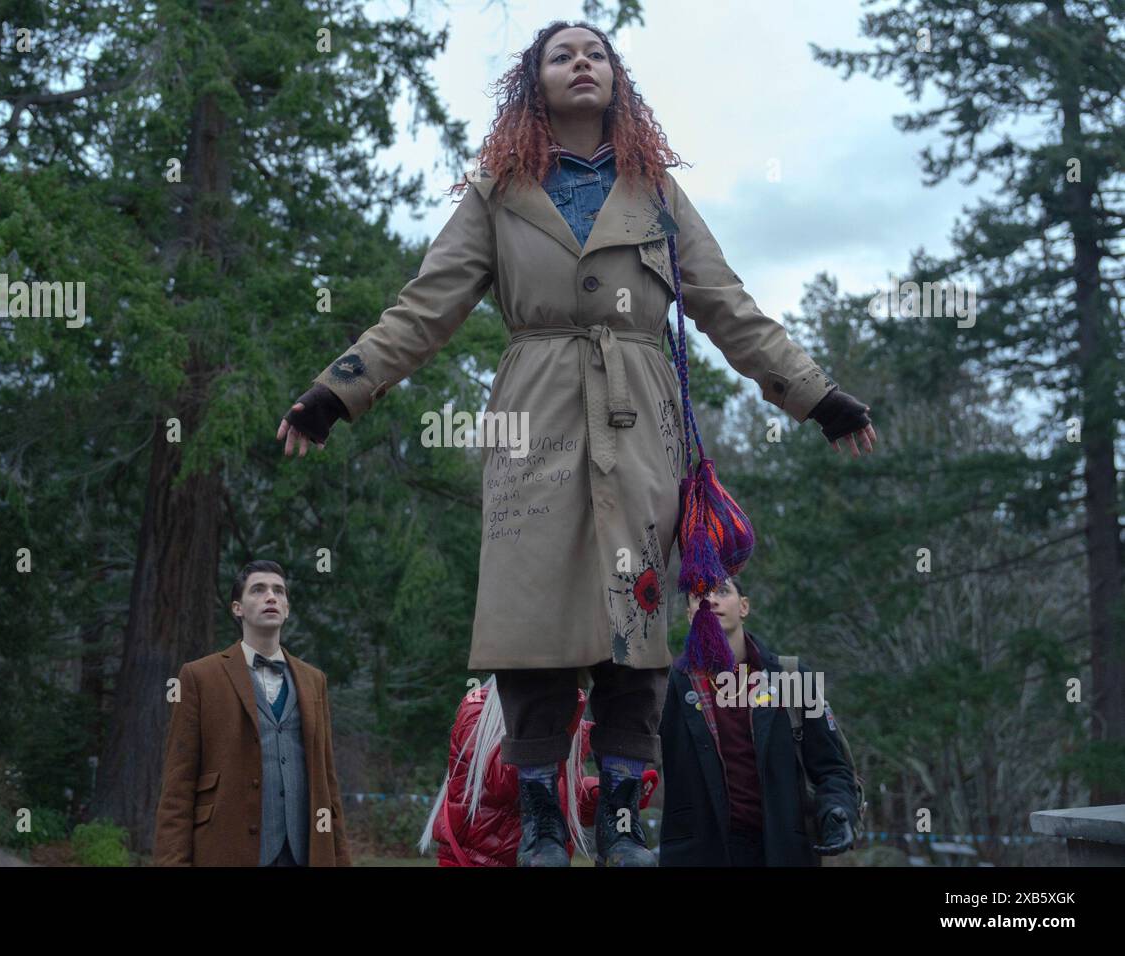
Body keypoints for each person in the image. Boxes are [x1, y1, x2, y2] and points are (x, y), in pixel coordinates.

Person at [278, 20, 876, 866]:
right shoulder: (498, 190)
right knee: (532, 620)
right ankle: (541, 822)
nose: (582, 62)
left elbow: (726, 304)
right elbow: (425, 307)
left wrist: (819, 396)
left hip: (640, 423)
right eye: (563, 54)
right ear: (537, 81)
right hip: (536, 417)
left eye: (596, 52)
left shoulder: (655, 191)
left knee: (634, 626)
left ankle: (625, 821)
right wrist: (336, 391)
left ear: (615, 77)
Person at [153, 560, 351, 866]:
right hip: (227, 850)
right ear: (237, 608)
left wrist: (340, 858)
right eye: (258, 590)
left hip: (303, 854)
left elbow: (328, 783)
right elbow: (178, 788)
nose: (270, 596)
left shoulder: (315, 681)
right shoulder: (198, 676)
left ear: (286, 608)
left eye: (278, 591)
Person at [658, 576, 859, 866]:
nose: (711, 600)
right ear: (691, 615)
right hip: (699, 854)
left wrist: (837, 809)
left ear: (744, 606)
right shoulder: (669, 687)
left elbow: (832, 768)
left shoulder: (792, 677)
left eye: (723, 591)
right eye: (699, 595)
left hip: (781, 851)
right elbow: (639, 761)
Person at [418, 676, 657, 866]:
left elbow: (557, 795)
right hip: (473, 861)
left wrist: (606, 792)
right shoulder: (476, 707)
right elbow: (506, 783)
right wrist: (559, 723)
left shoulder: (567, 718)